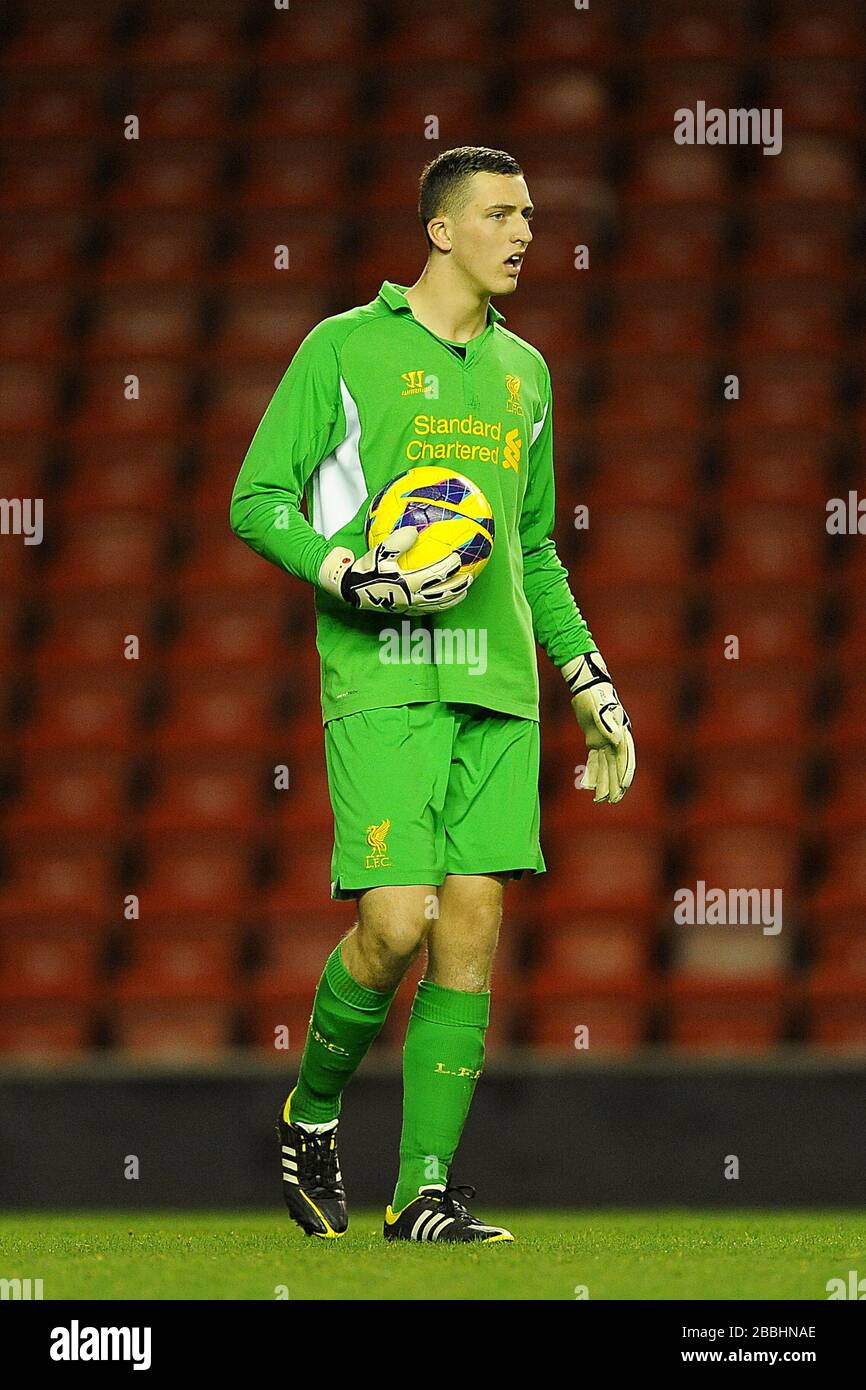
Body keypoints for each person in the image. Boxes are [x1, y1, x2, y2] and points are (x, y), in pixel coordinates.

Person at [230, 145, 635, 1244]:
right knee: (394, 923)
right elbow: (256, 499)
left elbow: (533, 547)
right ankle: (310, 1114)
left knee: (471, 923)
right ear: (440, 230)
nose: (524, 234)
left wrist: (587, 678)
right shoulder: (343, 347)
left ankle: (425, 1191)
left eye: (532, 217)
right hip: (382, 672)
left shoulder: (526, 373)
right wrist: (345, 571)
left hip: (496, 683)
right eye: (502, 214)